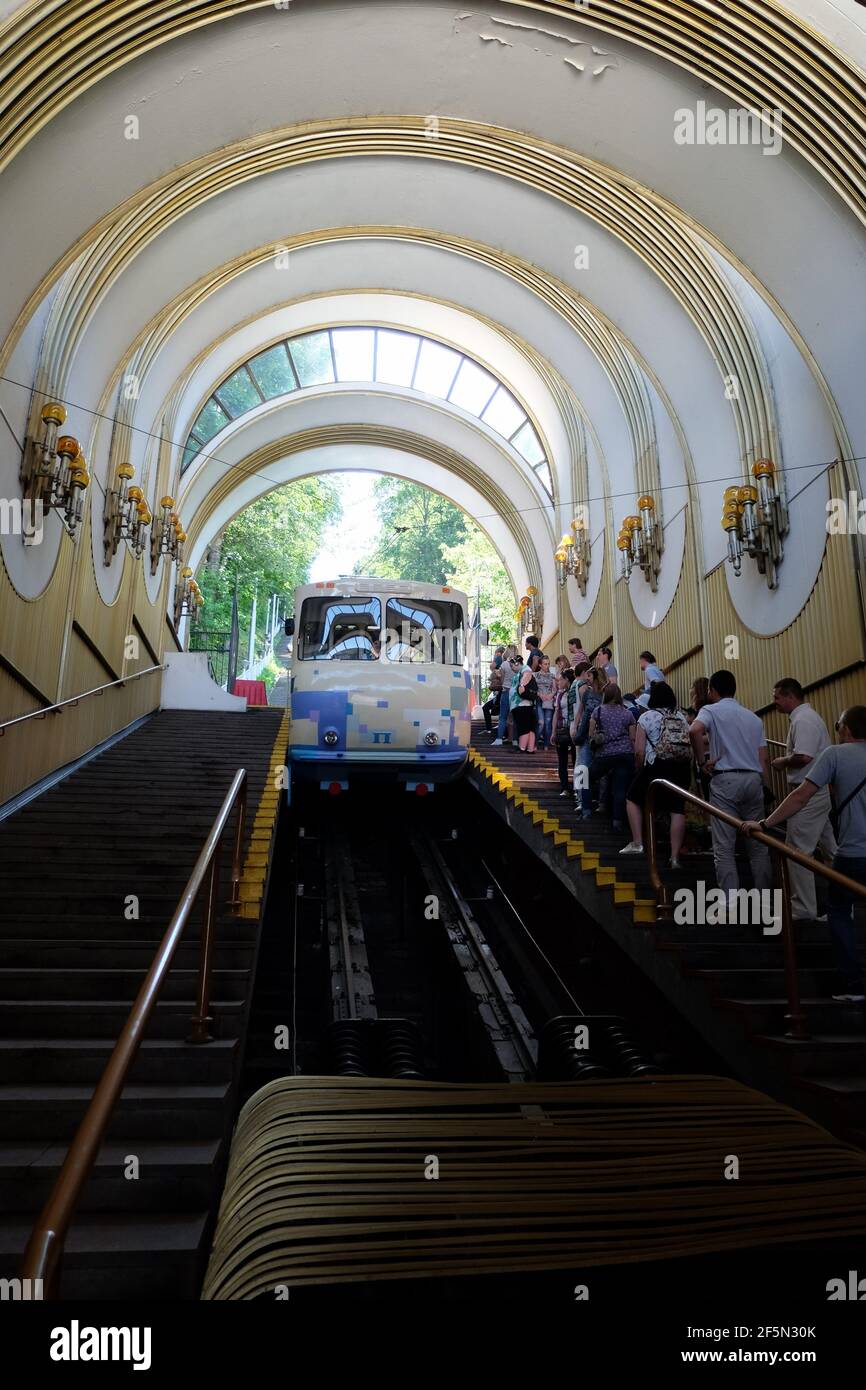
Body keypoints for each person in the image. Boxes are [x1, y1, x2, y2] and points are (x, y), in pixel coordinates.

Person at [742, 706, 866, 1004]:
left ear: (846, 729)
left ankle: (854, 981)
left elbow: (800, 796)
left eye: (838, 725)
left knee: (838, 909)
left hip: (853, 852)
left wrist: (765, 823)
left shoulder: (835, 754)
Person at [688, 670, 773, 896]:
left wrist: (701, 761)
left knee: (724, 846)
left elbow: (694, 730)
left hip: (726, 779)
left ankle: (730, 902)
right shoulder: (753, 718)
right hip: (753, 780)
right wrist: (763, 786)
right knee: (758, 847)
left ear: (712, 691)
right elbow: (763, 757)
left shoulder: (711, 710)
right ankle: (764, 900)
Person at [770, 677, 837, 921]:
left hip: (809, 792)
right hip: (817, 791)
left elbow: (804, 757)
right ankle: (843, 905)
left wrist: (781, 761)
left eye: (777, 697)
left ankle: (803, 908)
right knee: (830, 851)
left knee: (796, 848)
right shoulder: (806, 718)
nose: (774, 702)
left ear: (790, 696)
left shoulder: (803, 719)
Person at [620, 681, 691, 864]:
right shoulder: (681, 717)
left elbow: (639, 751)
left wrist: (638, 768)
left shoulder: (647, 717)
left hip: (657, 766)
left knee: (632, 798)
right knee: (677, 808)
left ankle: (638, 842)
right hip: (682, 767)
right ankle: (674, 856)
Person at [588, 683, 635, 830]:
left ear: (605, 695)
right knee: (620, 788)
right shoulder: (627, 713)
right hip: (625, 754)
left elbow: (591, 734)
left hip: (604, 754)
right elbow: (632, 737)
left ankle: (586, 809)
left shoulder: (598, 711)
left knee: (584, 777)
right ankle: (617, 822)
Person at [571, 666, 604, 818]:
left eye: (590, 677)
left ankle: (600, 802)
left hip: (601, 738)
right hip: (586, 737)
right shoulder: (587, 693)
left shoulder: (606, 693)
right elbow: (581, 712)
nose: (587, 680)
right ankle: (583, 803)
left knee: (599, 772)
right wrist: (575, 726)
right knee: (582, 766)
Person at [553, 668, 576, 797]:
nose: (558, 682)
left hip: (573, 729)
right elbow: (556, 713)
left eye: (560, 679)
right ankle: (565, 787)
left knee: (576, 759)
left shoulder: (575, 692)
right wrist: (553, 731)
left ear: (567, 680)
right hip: (562, 729)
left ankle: (577, 789)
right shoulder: (560, 695)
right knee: (562, 761)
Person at [493, 651, 521, 745]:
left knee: (503, 717)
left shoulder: (505, 664)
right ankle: (515, 740)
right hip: (516, 693)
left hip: (506, 691)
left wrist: (502, 682)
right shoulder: (519, 664)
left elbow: (501, 678)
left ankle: (499, 739)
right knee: (515, 717)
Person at [513, 661, 538, 753]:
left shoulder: (525, 669)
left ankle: (522, 747)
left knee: (524, 727)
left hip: (523, 704)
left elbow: (527, 672)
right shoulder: (524, 672)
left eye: (512, 665)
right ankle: (530, 748)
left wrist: (521, 685)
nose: (512, 667)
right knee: (530, 727)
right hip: (529, 704)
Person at [535, 654, 557, 749]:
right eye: (545, 664)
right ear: (540, 665)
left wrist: (550, 695)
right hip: (539, 700)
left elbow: (555, 689)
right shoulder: (535, 675)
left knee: (548, 723)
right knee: (541, 722)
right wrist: (540, 695)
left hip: (548, 701)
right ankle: (534, 743)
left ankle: (546, 744)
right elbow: (533, 689)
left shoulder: (552, 676)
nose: (547, 666)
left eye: (548, 664)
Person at [482, 646, 506, 735]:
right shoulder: (507, 664)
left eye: (496, 653)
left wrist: (495, 659)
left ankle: (490, 729)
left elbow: (492, 667)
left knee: (486, 708)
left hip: (500, 691)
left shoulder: (499, 658)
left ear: (499, 653)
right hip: (501, 691)